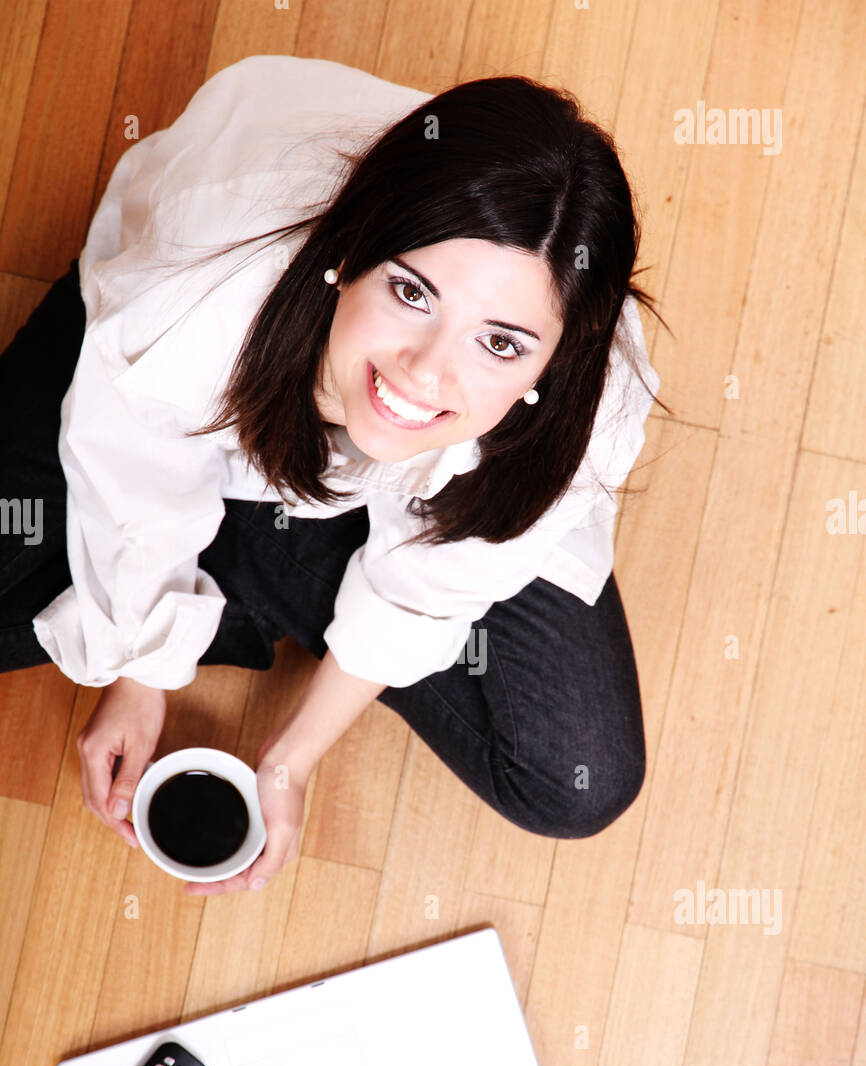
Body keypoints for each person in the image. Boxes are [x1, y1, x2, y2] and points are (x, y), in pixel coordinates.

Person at [0, 55, 668, 897]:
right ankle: (234, 574)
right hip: (163, 372)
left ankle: (234, 568)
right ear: (351, 253)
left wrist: (288, 761)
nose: (426, 374)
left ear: (555, 360)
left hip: (354, 483)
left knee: (576, 778)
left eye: (501, 342)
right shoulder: (205, 286)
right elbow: (135, 467)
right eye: (412, 292)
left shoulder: (587, 407)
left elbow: (431, 589)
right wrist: (141, 670)